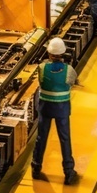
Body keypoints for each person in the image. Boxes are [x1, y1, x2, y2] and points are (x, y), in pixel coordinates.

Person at [31, 37, 80, 185]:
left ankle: (36, 167)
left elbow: (41, 82)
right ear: (63, 53)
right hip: (62, 109)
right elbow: (72, 82)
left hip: (45, 107)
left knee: (41, 138)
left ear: (49, 53)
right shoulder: (69, 70)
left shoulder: (42, 68)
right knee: (65, 139)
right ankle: (68, 172)